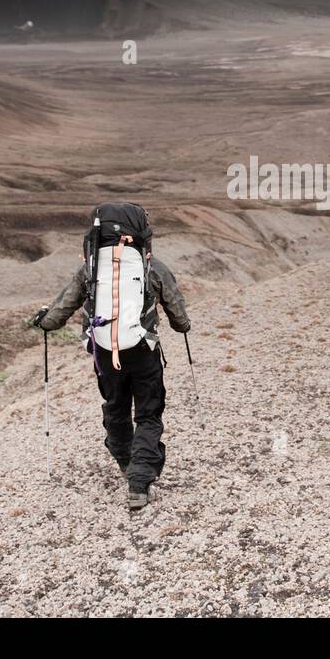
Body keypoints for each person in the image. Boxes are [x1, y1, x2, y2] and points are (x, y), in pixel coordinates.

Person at [31, 203, 191, 510]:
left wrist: (43, 320)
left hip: (104, 352)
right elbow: (179, 316)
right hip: (144, 351)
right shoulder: (152, 266)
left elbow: (58, 312)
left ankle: (126, 460)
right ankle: (139, 481)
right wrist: (182, 325)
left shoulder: (90, 270)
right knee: (148, 412)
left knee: (115, 407)